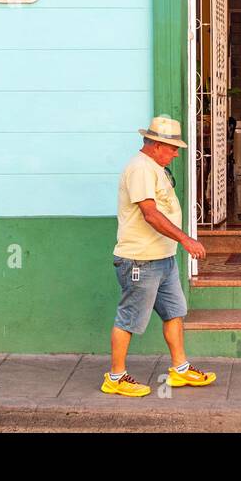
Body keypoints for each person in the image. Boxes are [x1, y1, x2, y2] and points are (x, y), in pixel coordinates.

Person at [102, 115, 216, 397]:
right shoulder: (140, 168)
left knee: (173, 312)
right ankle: (115, 377)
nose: (176, 153)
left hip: (162, 258)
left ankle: (179, 370)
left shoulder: (155, 167)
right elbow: (150, 214)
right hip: (140, 260)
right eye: (173, 147)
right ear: (155, 145)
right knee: (128, 318)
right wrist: (186, 239)